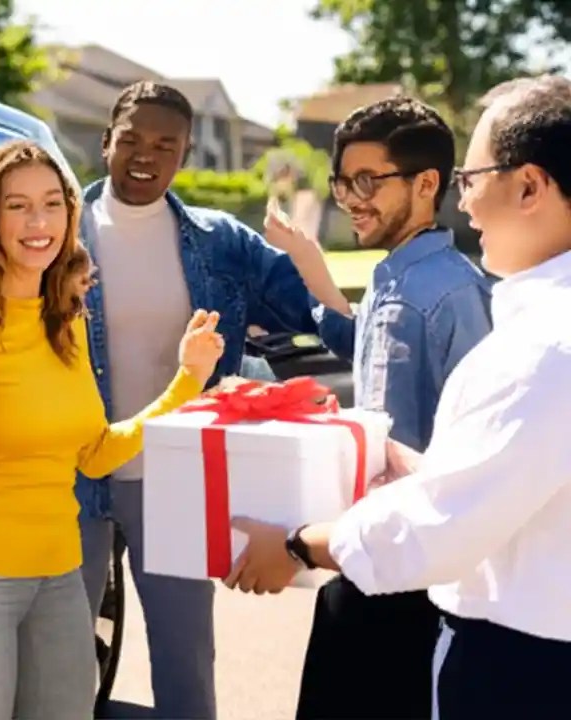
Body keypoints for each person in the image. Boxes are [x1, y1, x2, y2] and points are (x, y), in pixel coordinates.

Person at [225, 74, 571, 720]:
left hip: (478, 628)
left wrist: (298, 545)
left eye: (470, 178)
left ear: (528, 185)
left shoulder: (532, 340)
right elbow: (492, 465)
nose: (466, 204)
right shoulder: (509, 316)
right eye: (343, 183)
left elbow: (451, 518)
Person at [0, 138, 226, 720]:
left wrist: (186, 381)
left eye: (52, 203)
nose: (38, 222)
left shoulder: (65, 323)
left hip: (60, 580)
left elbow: (96, 454)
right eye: (17, 206)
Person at [75, 80, 319, 719]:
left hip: (173, 480)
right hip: (70, 478)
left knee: (185, 666)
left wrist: (320, 266)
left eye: (165, 144)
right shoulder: (58, 234)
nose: (144, 154)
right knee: (65, 665)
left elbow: (312, 308)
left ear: (185, 156)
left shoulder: (220, 241)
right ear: (107, 142)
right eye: (130, 138)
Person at [259, 97, 495, 719]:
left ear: (426, 184)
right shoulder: (403, 273)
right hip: (371, 555)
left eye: (369, 181)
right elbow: (364, 336)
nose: (351, 197)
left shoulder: (444, 294)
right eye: (343, 181)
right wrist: (310, 267)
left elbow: (450, 453)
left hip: (403, 572)